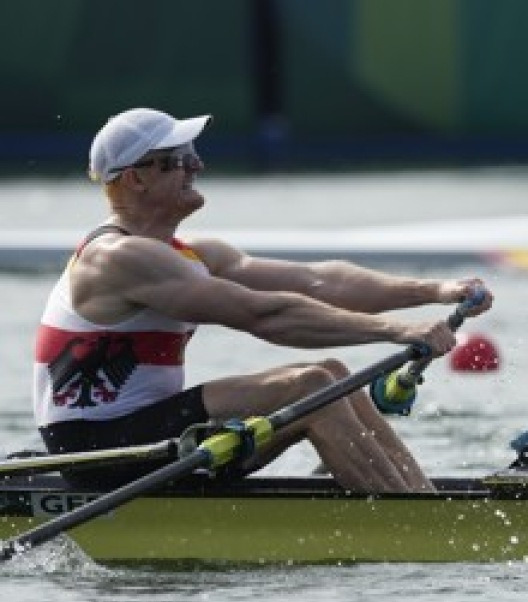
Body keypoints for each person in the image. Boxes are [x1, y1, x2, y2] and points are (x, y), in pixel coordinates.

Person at [32, 107, 494, 492]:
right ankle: (416, 526)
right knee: (311, 386)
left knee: (332, 376)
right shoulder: (118, 258)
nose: (198, 166)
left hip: (149, 433)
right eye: (181, 158)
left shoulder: (194, 255)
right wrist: (399, 332)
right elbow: (264, 316)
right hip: (96, 451)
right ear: (137, 179)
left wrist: (432, 291)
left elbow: (315, 281)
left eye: (194, 155)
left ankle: (419, 499)